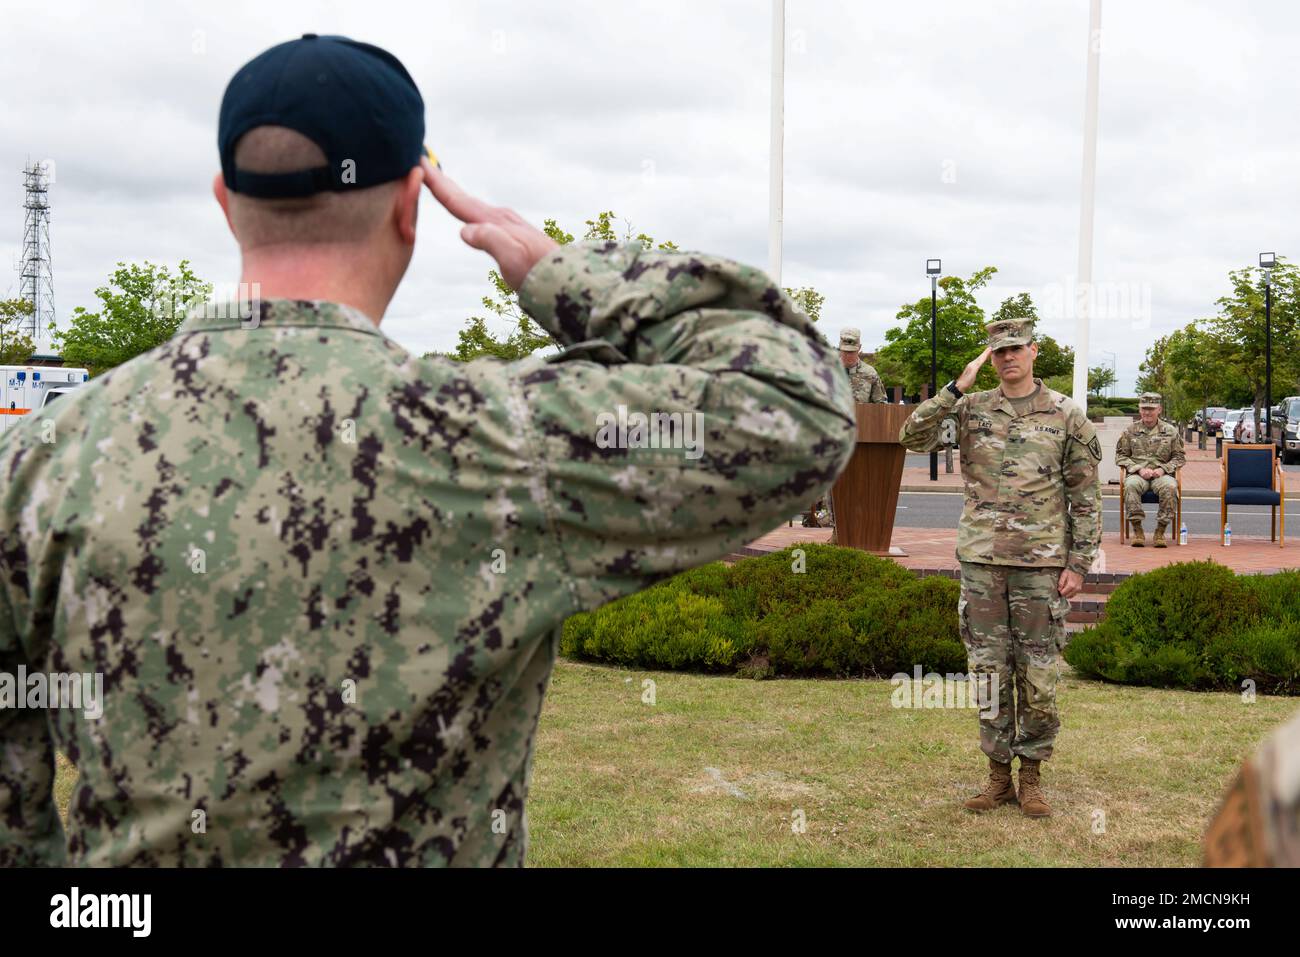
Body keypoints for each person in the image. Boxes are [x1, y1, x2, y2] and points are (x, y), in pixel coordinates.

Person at [0, 34, 856, 866]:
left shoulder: (43, 460)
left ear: (226, 200)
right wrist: (558, 271)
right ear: (413, 207)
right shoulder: (499, 439)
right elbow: (799, 402)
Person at [898, 318, 1101, 817]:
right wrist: (953, 388)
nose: (1008, 358)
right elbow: (911, 437)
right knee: (988, 672)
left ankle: (1030, 777)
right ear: (990, 359)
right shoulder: (970, 408)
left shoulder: (1067, 415)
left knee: (1038, 674)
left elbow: (1086, 496)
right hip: (982, 560)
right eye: (999, 352)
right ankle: (997, 778)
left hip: (1041, 565)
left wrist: (1079, 562)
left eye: (1016, 349)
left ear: (1034, 352)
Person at [1115, 392, 1184, 547]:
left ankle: (1160, 532)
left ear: (1159, 409)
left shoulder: (1170, 431)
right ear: (1139, 410)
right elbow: (1121, 456)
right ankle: (1137, 531)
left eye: (1151, 409)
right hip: (1138, 474)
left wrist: (1163, 469)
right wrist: (1138, 469)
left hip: (1162, 474)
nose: (1147, 412)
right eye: (1144, 408)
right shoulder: (1130, 431)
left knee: (1171, 487)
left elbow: (1179, 457)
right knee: (1130, 485)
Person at [839, 328, 888, 404]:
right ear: (840, 347)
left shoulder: (870, 373)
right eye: (845, 352)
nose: (848, 356)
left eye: (852, 352)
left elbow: (881, 405)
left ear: (859, 348)